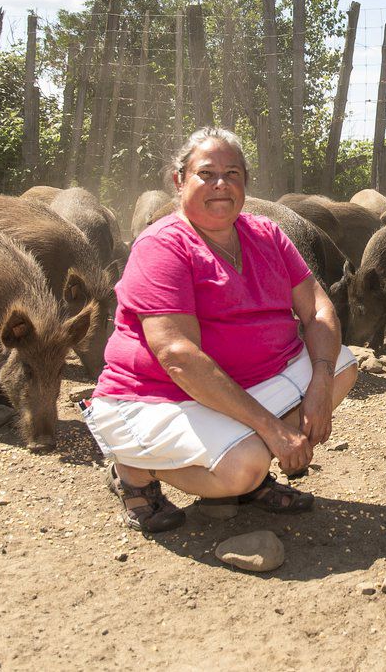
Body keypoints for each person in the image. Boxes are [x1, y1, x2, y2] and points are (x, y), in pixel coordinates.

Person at [84, 127, 358, 533]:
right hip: (158, 396)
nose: (221, 184)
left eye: (232, 174)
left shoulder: (266, 234)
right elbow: (178, 356)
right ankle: (133, 471)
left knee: (341, 366)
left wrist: (319, 381)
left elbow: (318, 308)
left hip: (238, 385)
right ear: (179, 180)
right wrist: (272, 429)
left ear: (245, 182)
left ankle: (245, 467)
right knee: (243, 466)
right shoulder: (162, 245)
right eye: (206, 173)